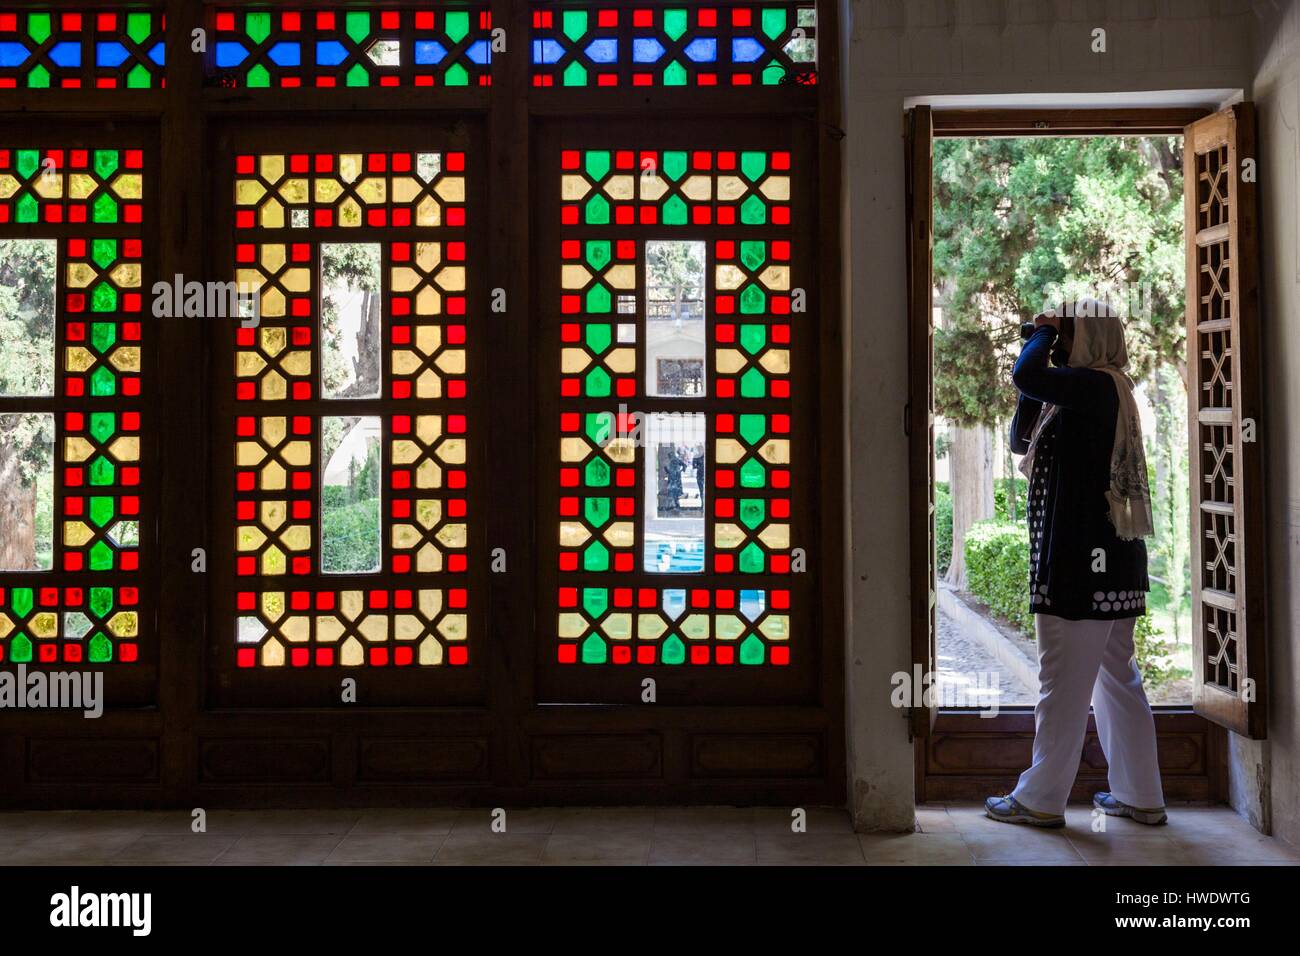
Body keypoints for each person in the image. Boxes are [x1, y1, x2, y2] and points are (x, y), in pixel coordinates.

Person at [985, 299, 1167, 828]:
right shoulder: (1087, 391)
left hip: (1080, 566)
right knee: (1116, 679)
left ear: (1087, 336)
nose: (1058, 345)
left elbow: (1026, 372)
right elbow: (1023, 428)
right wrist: (1042, 356)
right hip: (1109, 565)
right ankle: (1140, 794)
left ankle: (1039, 800)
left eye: (1067, 334)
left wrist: (1038, 335)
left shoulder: (1097, 386)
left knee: (1061, 682)